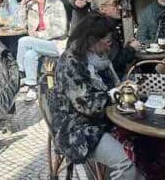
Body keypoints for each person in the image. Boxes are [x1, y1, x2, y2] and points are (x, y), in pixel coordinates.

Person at [48, 14, 143, 180]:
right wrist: (117, 93)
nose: (110, 45)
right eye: (108, 41)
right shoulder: (71, 62)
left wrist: (123, 87)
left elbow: (109, 88)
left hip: (103, 121)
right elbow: (88, 105)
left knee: (148, 147)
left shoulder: (98, 58)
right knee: (126, 164)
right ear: (92, 41)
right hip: (77, 129)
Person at [16, 0, 69, 101]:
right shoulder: (31, 5)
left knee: (23, 41)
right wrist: (22, 5)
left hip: (56, 44)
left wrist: (40, 35)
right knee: (29, 54)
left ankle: (20, 73)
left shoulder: (56, 4)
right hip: (37, 44)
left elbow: (61, 29)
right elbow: (21, 25)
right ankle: (31, 87)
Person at [91, 0, 141, 76]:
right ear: (102, 8)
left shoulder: (101, 23)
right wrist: (131, 49)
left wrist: (125, 47)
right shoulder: (101, 29)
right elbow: (114, 65)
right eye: (115, 4)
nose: (120, 7)